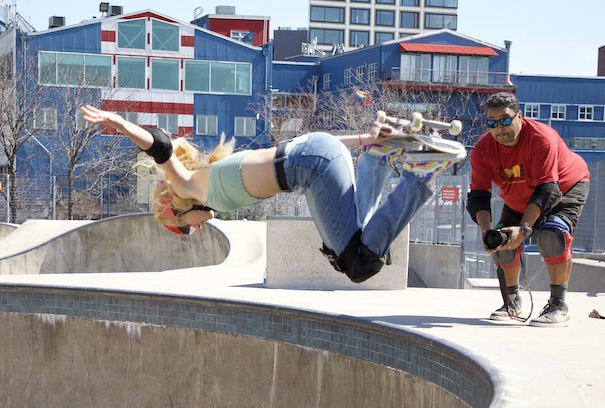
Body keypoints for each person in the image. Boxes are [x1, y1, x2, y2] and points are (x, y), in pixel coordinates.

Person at [80, 104, 465, 283]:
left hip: (311, 166)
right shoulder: (210, 176)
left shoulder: (189, 183)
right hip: (316, 155)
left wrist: (119, 123)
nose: (195, 230)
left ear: (178, 211)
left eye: (185, 229)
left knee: (358, 263)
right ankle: (379, 156)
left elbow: (160, 147)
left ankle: (418, 176)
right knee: (358, 237)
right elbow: (316, 145)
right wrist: (366, 138)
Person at [466, 92, 591, 326]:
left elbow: (547, 190)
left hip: (564, 187)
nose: (499, 128)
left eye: (504, 120)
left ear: (519, 116)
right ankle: (511, 301)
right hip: (519, 198)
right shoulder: (483, 149)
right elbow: (478, 195)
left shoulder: (541, 138)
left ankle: (558, 304)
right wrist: (486, 231)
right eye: (492, 123)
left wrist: (524, 229)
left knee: (552, 234)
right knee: (501, 241)